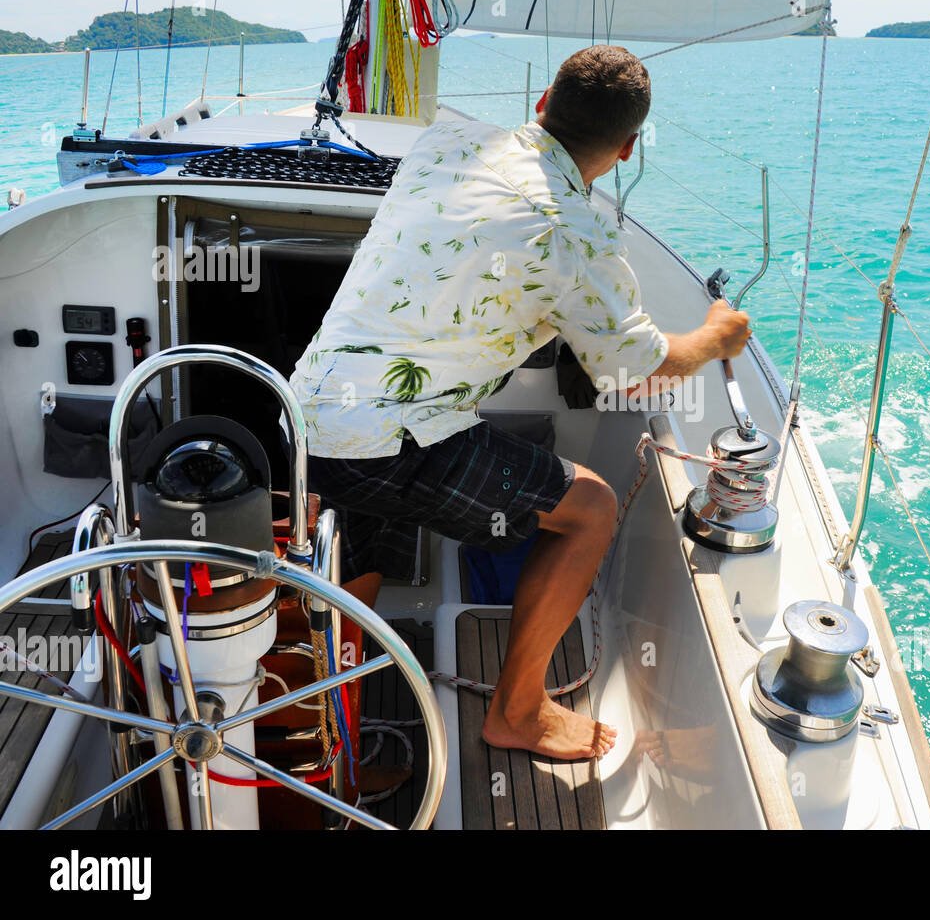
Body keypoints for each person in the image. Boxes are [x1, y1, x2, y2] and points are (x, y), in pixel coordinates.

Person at [289, 45, 750, 760]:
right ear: (628, 149)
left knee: (369, 506)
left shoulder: (448, 139)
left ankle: (325, 699)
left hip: (305, 412)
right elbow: (638, 373)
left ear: (541, 102)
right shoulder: (581, 233)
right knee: (588, 508)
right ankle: (519, 710)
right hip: (392, 438)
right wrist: (715, 337)